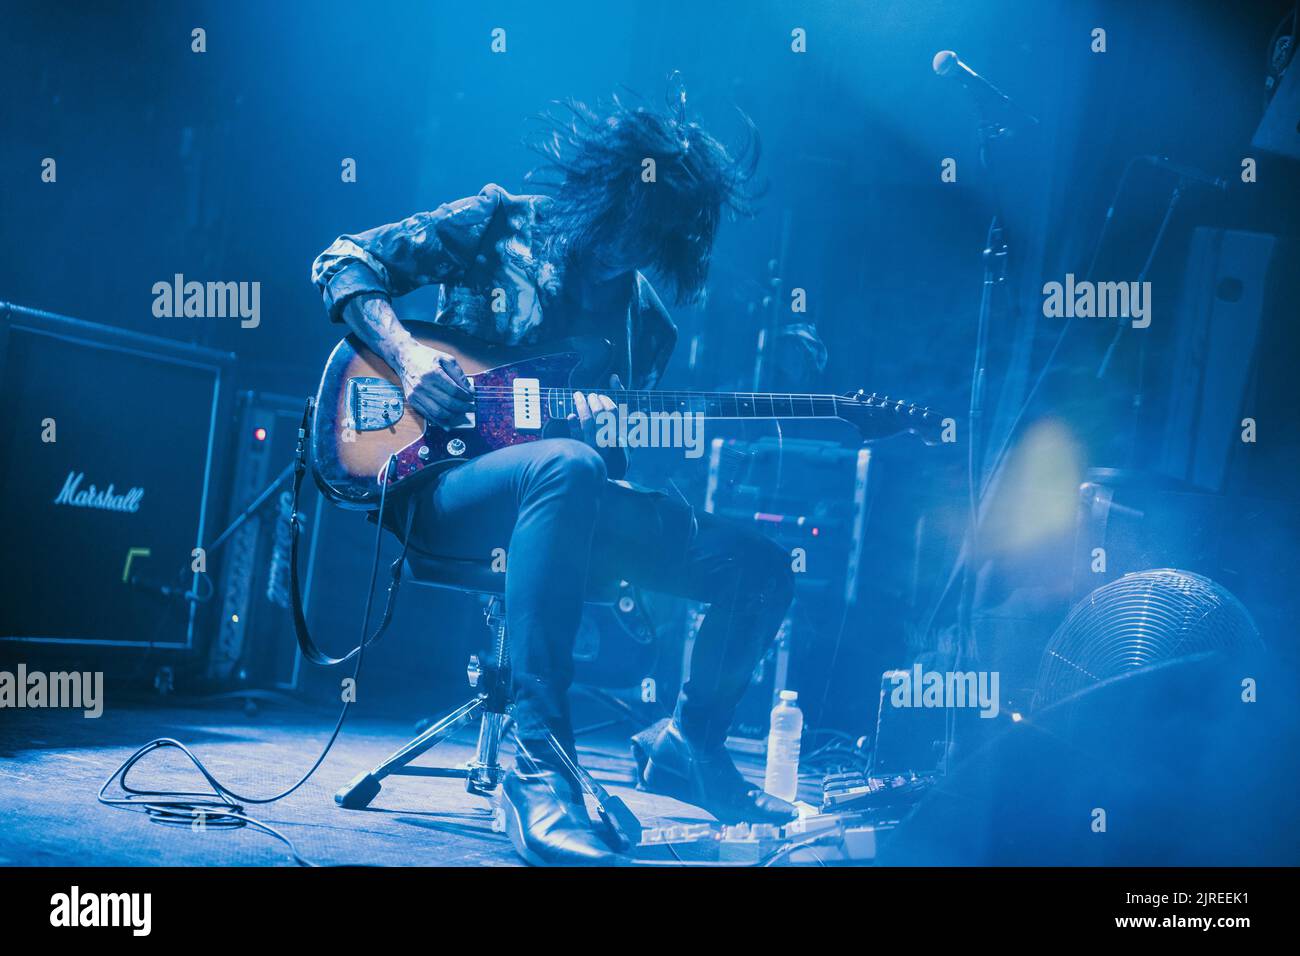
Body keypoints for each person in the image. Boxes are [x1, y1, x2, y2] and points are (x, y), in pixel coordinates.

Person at [311, 96, 797, 865]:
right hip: (449, 490)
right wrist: (407, 357)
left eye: (648, 234)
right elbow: (343, 259)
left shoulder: (650, 326)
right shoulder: (500, 224)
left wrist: (610, 437)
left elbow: (600, 470)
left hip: (560, 501)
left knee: (760, 566)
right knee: (564, 468)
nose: (623, 245)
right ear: (604, 188)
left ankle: (689, 744)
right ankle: (540, 766)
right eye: (620, 218)